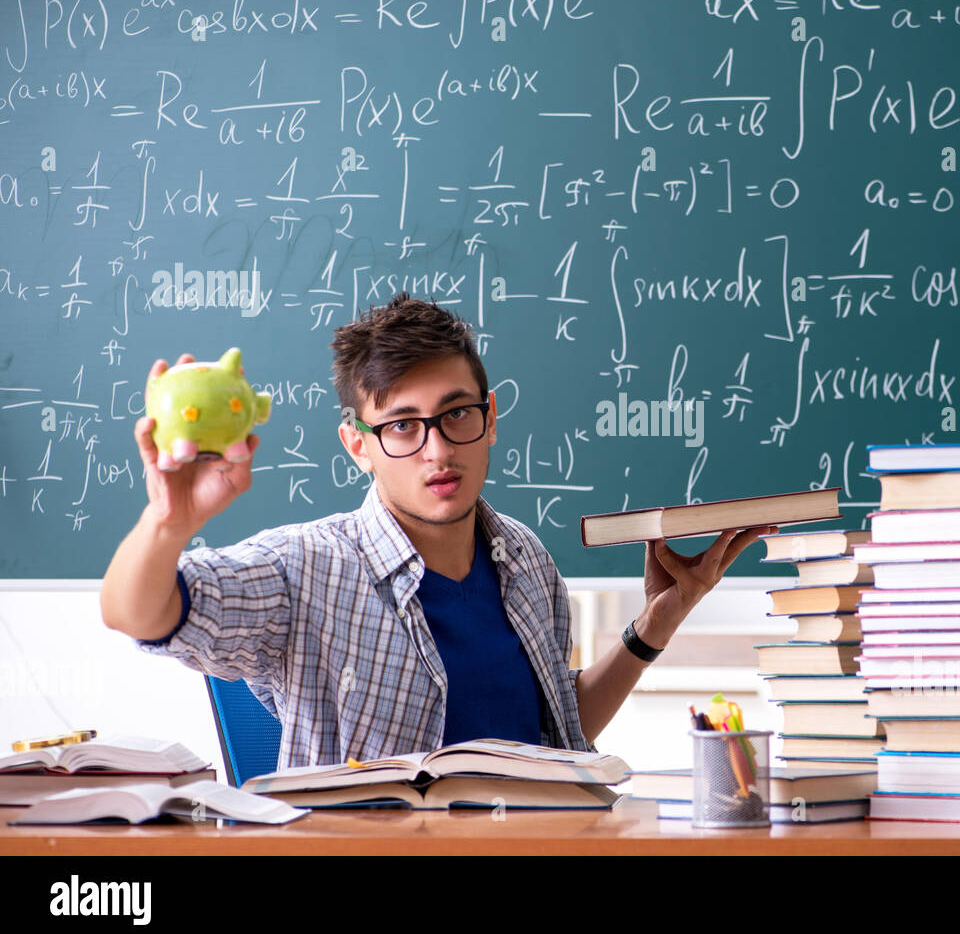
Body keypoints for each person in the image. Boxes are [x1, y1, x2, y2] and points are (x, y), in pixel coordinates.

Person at [100, 294, 774, 768]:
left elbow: (553, 733)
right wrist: (169, 521)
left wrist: (658, 621)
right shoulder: (303, 569)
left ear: (490, 416)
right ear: (357, 444)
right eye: (402, 425)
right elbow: (140, 613)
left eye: (456, 415)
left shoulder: (525, 559)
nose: (436, 450)